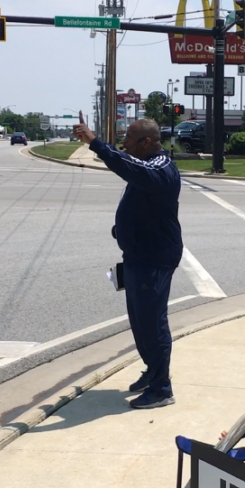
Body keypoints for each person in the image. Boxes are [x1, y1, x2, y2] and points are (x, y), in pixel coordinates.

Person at [73, 117, 183, 409]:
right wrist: (122, 229)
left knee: (153, 323)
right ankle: (152, 372)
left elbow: (127, 166)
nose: (125, 143)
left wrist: (96, 143)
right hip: (137, 256)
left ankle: (162, 388)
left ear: (147, 142)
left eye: (130, 139)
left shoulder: (160, 168)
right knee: (139, 321)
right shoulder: (147, 167)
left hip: (155, 258)